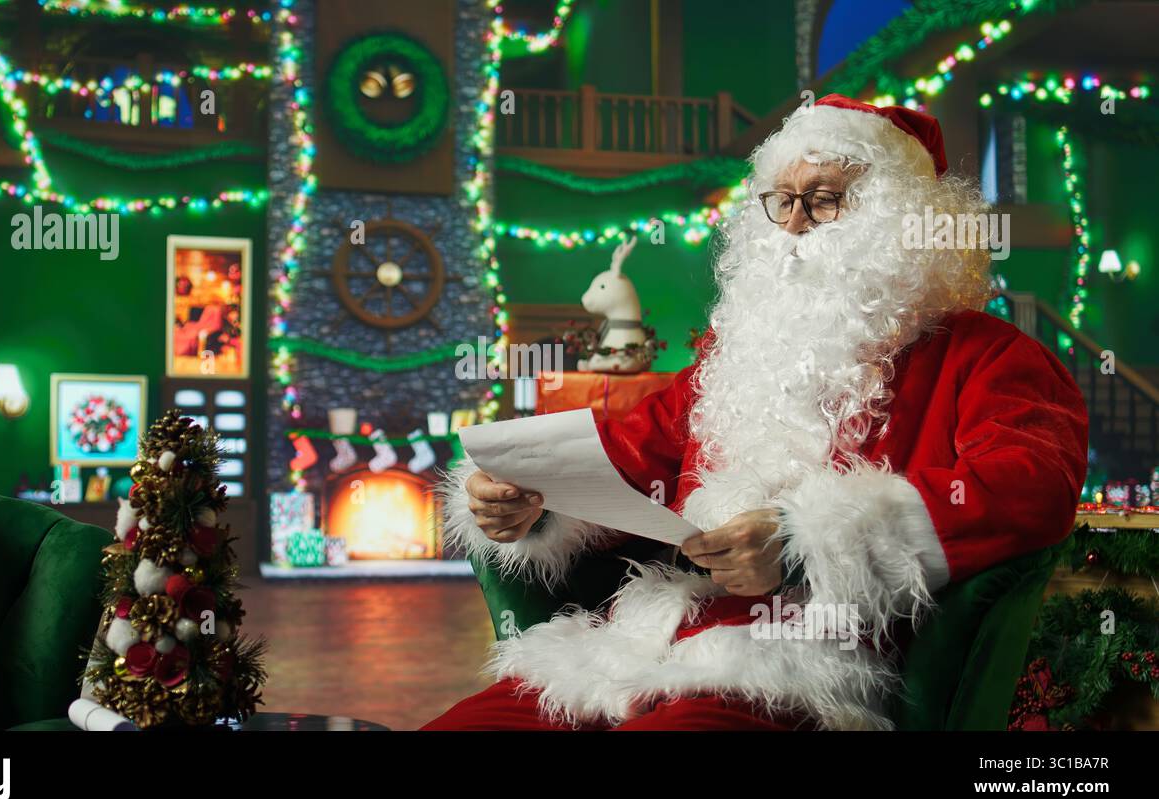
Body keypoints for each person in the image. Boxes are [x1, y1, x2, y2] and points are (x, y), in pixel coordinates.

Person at [425, 94, 1089, 731]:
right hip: (644, 643)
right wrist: (529, 495)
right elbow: (622, 450)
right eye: (781, 200)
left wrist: (804, 544)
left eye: (824, 199)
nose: (794, 223)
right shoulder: (735, 357)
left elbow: (1030, 484)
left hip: (808, 670)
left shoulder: (990, 356)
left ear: (897, 219)